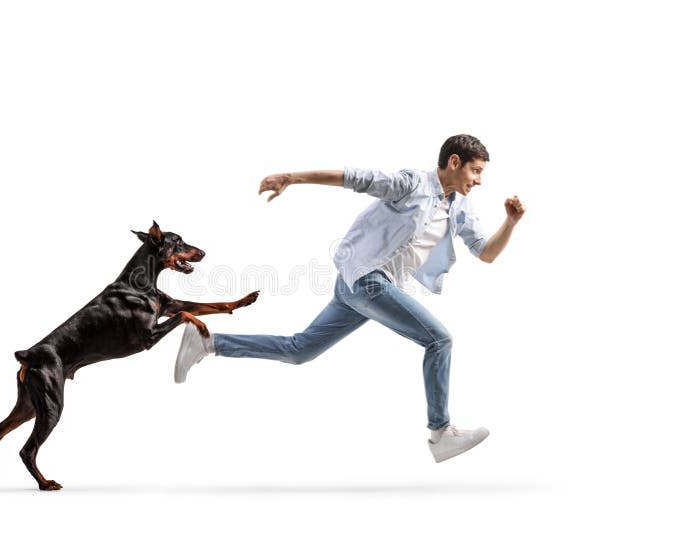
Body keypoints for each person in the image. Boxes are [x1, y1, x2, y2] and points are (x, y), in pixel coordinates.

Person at [174, 134, 526, 463]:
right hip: (366, 279)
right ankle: (440, 432)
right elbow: (355, 178)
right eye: (475, 170)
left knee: (300, 350)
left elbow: (486, 253)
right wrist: (291, 177)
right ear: (454, 162)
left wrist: (509, 222)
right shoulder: (412, 184)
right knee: (439, 340)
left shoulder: (460, 207)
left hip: (358, 287)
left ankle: (207, 342)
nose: (479, 180)